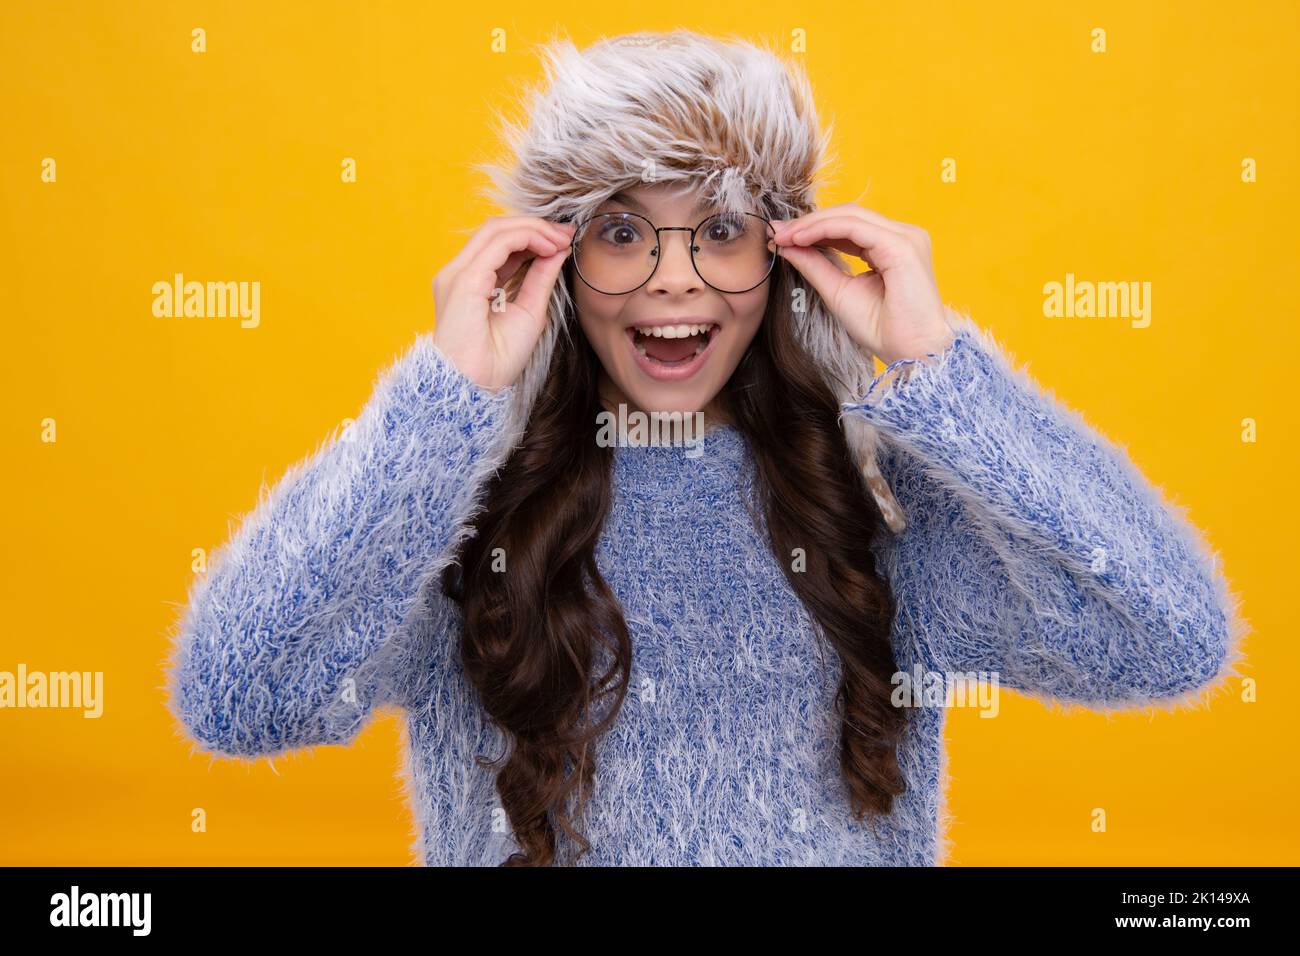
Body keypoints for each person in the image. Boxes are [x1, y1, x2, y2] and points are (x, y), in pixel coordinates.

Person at [165, 30, 1247, 866]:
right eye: (622, 231)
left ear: (786, 256)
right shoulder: (461, 506)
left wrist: (938, 367)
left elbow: (1168, 637)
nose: (673, 278)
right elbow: (234, 697)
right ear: (554, 260)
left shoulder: (877, 508)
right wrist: (442, 404)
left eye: (720, 227)